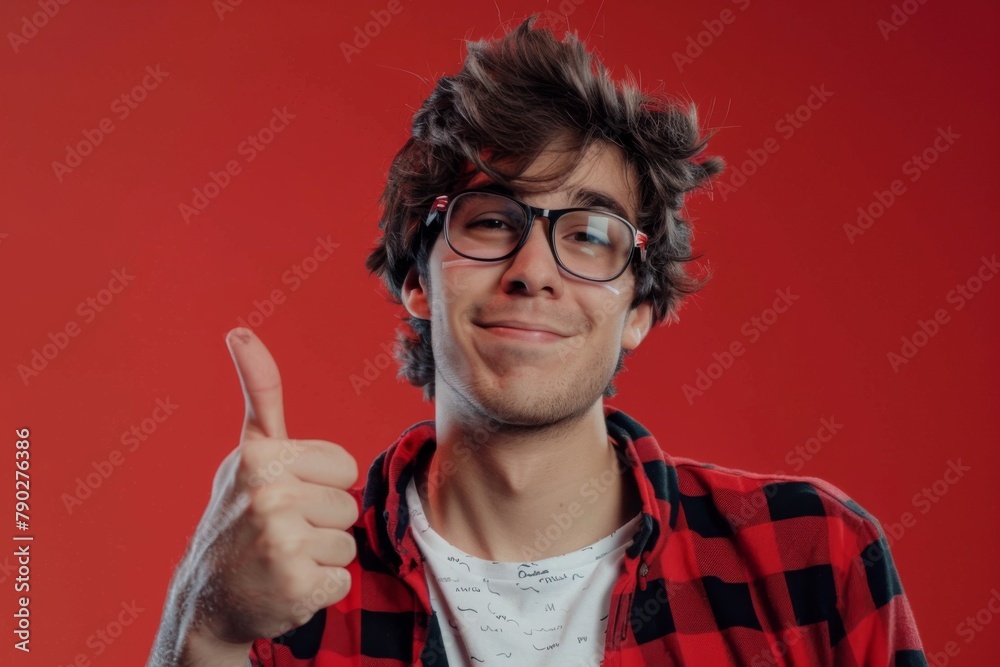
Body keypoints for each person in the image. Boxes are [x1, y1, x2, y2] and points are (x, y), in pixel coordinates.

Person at [149, 17, 926, 667]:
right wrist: (205, 628)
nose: (534, 271)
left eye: (588, 234)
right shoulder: (282, 580)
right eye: (492, 221)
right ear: (418, 279)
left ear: (639, 307)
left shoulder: (811, 556)